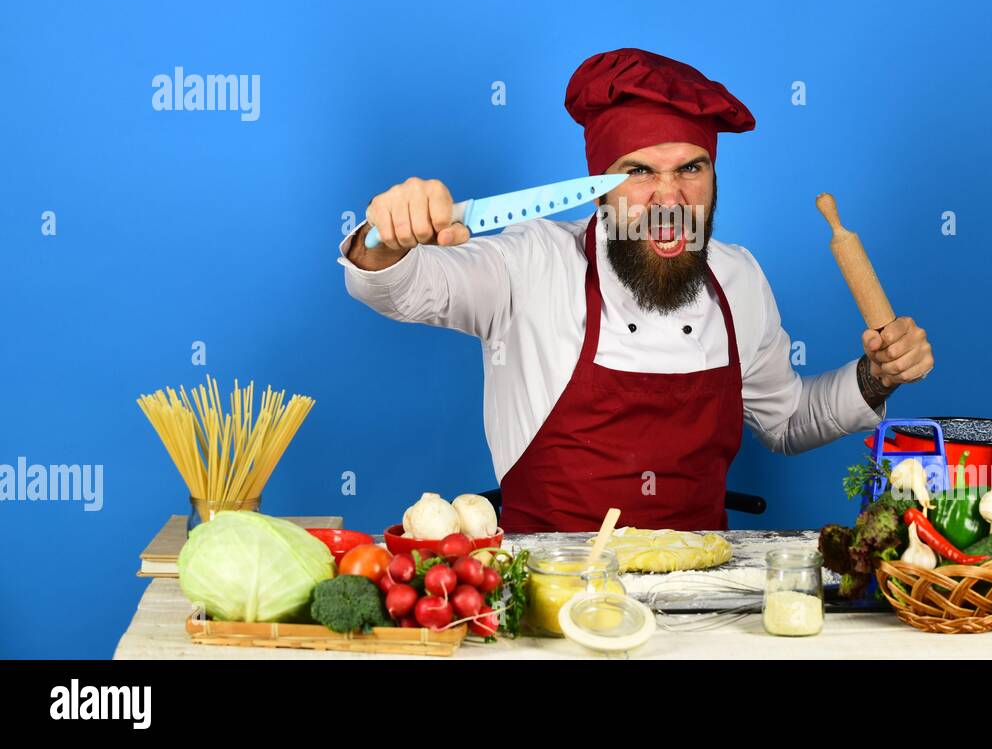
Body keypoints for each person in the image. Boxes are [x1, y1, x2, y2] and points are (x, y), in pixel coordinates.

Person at [339, 47, 934, 532]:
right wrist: (388, 233)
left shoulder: (738, 277)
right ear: (598, 190)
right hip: (550, 611)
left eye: (691, 169)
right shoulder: (531, 264)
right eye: (639, 172)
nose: (670, 199)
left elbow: (786, 422)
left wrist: (875, 375)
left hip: (708, 600)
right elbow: (396, 287)